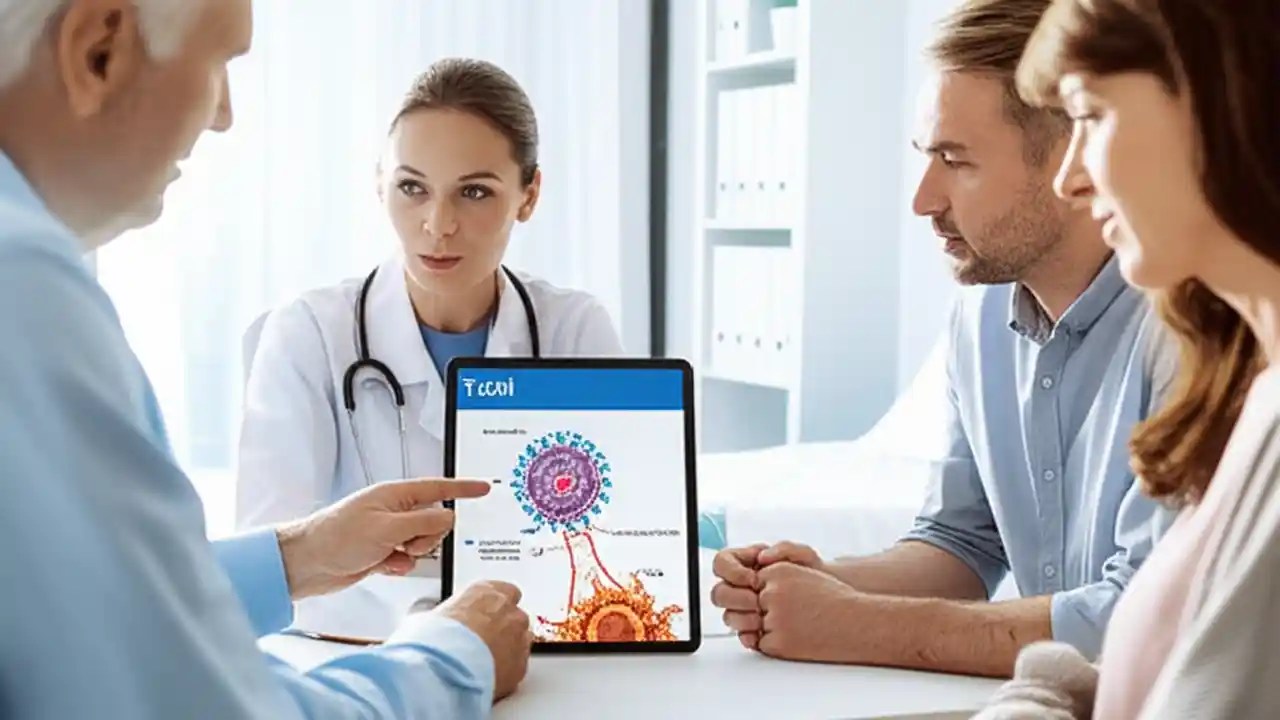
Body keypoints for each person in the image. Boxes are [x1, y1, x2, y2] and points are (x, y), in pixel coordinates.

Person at [0, 0, 531, 717]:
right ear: (99, 49)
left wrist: (296, 556)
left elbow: (85, 599)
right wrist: (456, 654)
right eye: (220, 61)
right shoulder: (26, 291)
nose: (223, 113)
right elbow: (211, 706)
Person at [710, 0, 1177, 678]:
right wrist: (818, 584)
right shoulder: (979, 317)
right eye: (927, 156)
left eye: (955, 161)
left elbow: (1137, 621)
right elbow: (961, 543)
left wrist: (858, 623)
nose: (923, 200)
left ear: (1071, 159)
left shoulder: (1187, 333)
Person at [975, 0, 1280, 717]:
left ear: (1220, 97)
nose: (1071, 179)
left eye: (1092, 115)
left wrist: (1038, 692)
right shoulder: (1253, 391)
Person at [236, 58, 625, 583]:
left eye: (475, 192)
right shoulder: (308, 334)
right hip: (362, 644)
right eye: (413, 188)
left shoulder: (575, 331)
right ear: (381, 185)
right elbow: (269, 561)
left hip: (531, 636)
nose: (438, 225)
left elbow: (615, 536)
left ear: (528, 196)